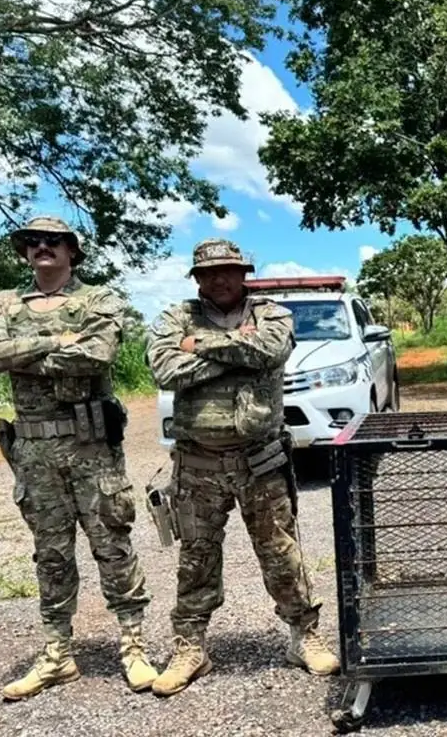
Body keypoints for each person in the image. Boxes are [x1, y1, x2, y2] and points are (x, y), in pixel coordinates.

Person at [0, 216, 156, 700]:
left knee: (112, 544)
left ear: (72, 251)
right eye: (33, 242)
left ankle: (133, 646)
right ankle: (58, 654)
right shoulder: (2, 304)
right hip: (33, 451)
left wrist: (20, 353)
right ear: (24, 252)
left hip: (91, 447)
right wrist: (55, 341)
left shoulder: (98, 300)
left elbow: (98, 354)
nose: (42, 248)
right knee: (50, 554)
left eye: (53, 241)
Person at [145, 238, 340, 696]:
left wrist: (200, 348)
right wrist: (234, 351)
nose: (220, 278)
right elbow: (165, 370)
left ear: (244, 273)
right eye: (210, 272)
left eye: (229, 269)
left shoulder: (272, 314)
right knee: (196, 559)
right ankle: (189, 646)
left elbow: (269, 352)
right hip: (197, 463)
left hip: (261, 460)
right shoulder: (176, 318)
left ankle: (303, 635)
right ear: (197, 278)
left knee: (281, 552)